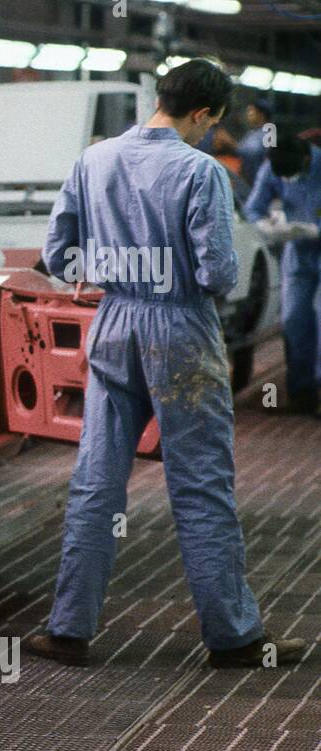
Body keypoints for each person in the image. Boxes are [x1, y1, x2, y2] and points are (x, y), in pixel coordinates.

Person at [27, 60, 304, 670]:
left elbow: (57, 254)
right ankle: (233, 637)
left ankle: (69, 630)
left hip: (113, 325)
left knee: (97, 479)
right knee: (201, 483)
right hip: (180, 329)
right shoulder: (200, 171)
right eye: (211, 123)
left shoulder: (93, 159)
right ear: (202, 114)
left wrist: (113, 270)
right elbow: (218, 273)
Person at [244, 134, 321, 415]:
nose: (288, 182)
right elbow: (253, 208)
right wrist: (266, 225)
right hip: (299, 251)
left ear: (306, 160)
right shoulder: (273, 166)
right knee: (294, 319)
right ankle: (302, 392)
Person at [237, 97, 273, 186]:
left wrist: (231, 144)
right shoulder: (251, 133)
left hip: (261, 184)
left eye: (251, 112)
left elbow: (254, 153)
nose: (248, 115)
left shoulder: (270, 134)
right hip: (248, 181)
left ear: (261, 115)